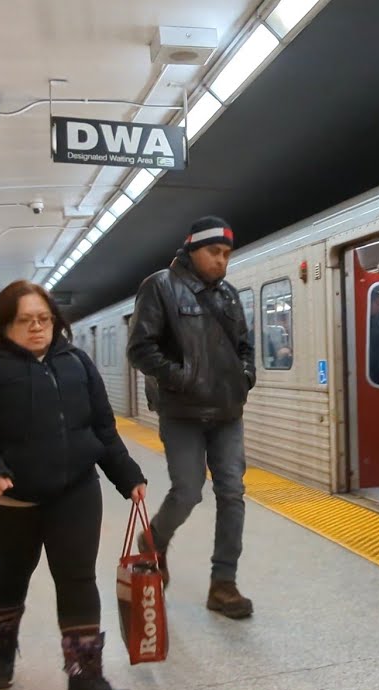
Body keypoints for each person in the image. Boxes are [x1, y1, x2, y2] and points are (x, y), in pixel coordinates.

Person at [0, 280, 147, 690]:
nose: (37, 328)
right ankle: (2, 645)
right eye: (25, 320)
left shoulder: (77, 363)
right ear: (4, 325)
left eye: (44, 319)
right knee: (12, 573)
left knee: (77, 578)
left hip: (75, 489)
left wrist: (126, 474)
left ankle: (85, 681)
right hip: (10, 499)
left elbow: (102, 428)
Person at [126, 215, 257, 619]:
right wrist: (183, 378)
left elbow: (244, 347)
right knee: (188, 489)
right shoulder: (160, 287)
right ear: (193, 249)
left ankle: (223, 583)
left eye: (227, 254)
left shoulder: (229, 296)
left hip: (227, 411)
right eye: (214, 252)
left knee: (232, 492)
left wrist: (244, 377)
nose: (222, 261)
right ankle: (153, 543)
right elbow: (140, 348)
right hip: (182, 410)